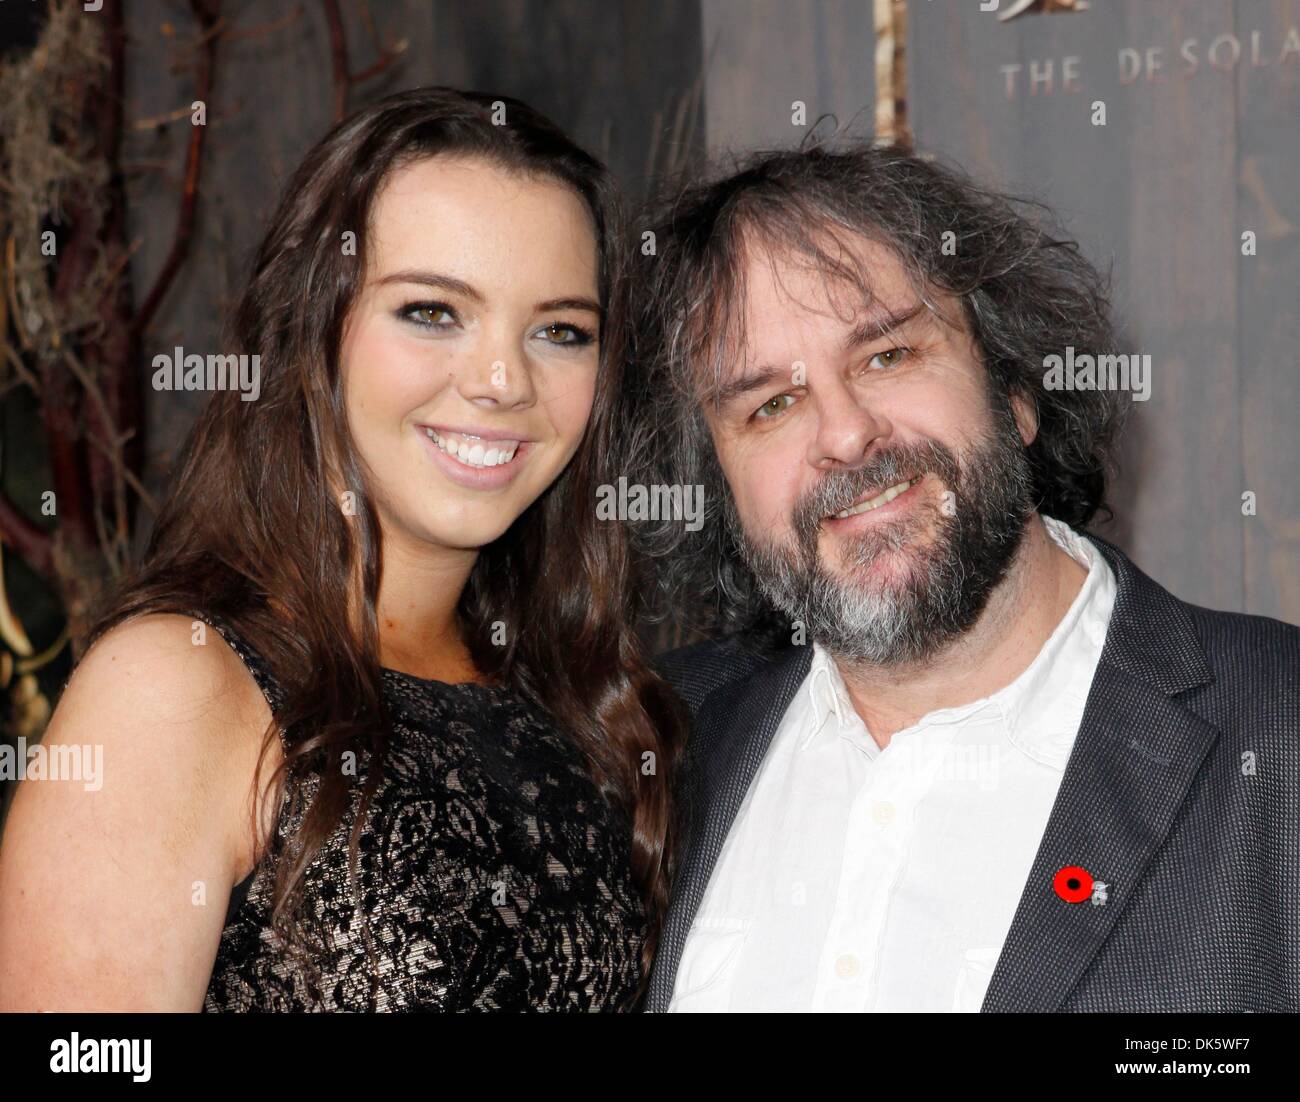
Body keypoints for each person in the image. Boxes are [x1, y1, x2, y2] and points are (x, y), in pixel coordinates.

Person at [0, 86, 684, 1012]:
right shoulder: (178, 684)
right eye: (432, 311)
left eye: (560, 331)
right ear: (312, 330)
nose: (502, 380)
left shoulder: (577, 696)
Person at [626, 141, 1299, 1012]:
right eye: (771, 405)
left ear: (1013, 390)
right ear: (720, 488)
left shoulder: (1278, 731)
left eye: (887, 355)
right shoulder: (646, 746)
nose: (845, 434)